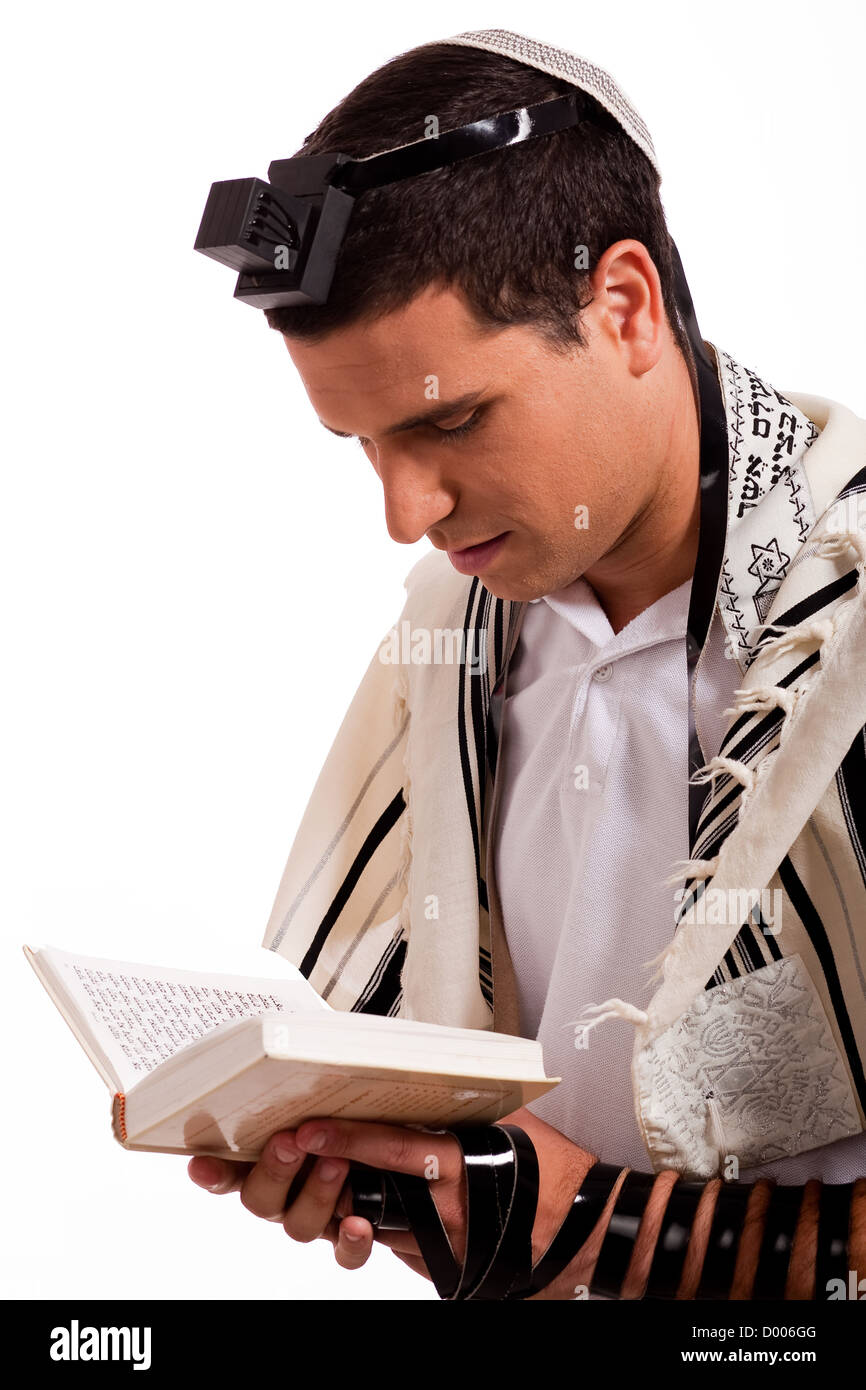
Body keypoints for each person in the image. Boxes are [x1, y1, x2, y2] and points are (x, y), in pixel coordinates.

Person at [187, 29, 866, 1299]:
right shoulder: (452, 643)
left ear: (623, 307)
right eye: (361, 441)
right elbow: (508, 1153)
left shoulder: (850, 630)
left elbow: (580, 1220)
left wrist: (604, 1234)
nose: (405, 511)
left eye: (449, 418)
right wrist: (396, 1178)